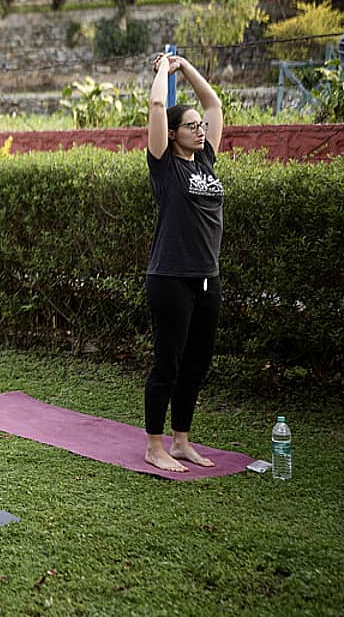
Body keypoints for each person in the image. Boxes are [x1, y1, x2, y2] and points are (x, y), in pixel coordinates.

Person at [142, 53, 224, 473]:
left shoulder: (206, 159)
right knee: (168, 361)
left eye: (200, 127)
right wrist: (162, 72)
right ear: (173, 134)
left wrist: (187, 66)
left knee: (197, 362)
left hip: (206, 277)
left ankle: (181, 440)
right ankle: (154, 445)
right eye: (191, 126)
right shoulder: (165, 165)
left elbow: (214, 105)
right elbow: (157, 107)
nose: (200, 129)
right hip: (170, 277)